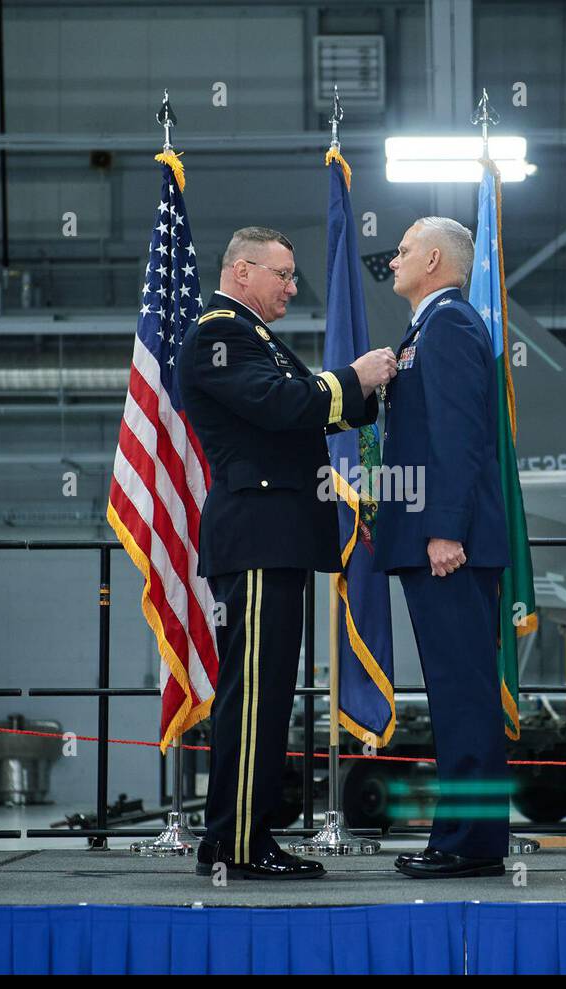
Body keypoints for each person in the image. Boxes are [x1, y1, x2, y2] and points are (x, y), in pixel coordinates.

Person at [178, 226, 397, 880]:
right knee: (253, 697)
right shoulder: (220, 333)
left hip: (273, 534)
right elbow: (278, 405)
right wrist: (351, 378)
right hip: (256, 534)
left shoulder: (254, 339)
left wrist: (364, 392)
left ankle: (233, 836)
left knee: (268, 693)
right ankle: (241, 841)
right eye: (284, 274)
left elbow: (302, 408)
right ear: (242, 271)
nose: (293, 287)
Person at [374, 217, 512, 879]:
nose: (392, 261)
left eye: (401, 251)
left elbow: (461, 436)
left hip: (447, 543)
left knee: (463, 695)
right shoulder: (428, 329)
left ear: (433, 258)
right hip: (431, 535)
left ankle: (470, 842)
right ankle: (464, 836)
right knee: (456, 693)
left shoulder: (449, 326)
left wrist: (445, 527)